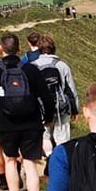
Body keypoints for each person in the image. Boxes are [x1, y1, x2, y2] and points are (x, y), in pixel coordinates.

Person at [0, 31, 52, 191]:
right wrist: (47, 119)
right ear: (19, 48)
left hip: (6, 125)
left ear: (0, 49)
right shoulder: (30, 70)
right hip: (31, 123)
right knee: (30, 163)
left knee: (10, 161)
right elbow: (45, 97)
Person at [24, 32, 80, 161]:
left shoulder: (33, 66)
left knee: (44, 136)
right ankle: (63, 163)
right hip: (62, 107)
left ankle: (49, 159)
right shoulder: (62, 65)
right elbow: (70, 88)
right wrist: (74, 108)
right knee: (62, 137)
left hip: (41, 108)